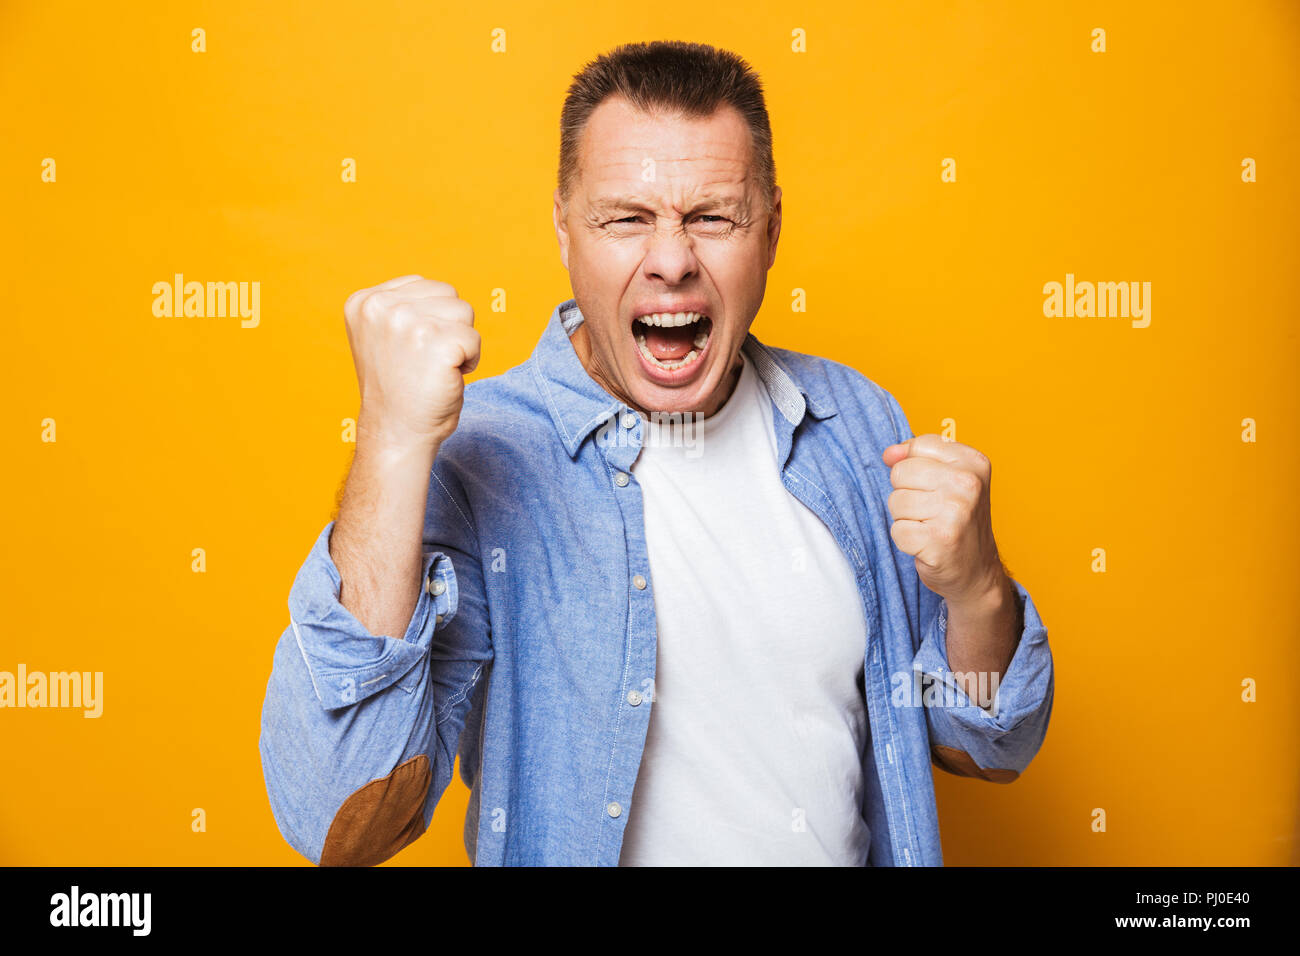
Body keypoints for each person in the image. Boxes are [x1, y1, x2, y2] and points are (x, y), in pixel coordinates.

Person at [258, 39, 1054, 867]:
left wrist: (977, 591)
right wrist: (389, 444)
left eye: (713, 217)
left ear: (772, 230)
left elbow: (982, 745)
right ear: (564, 229)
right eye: (626, 219)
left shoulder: (853, 421)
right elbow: (336, 820)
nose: (672, 261)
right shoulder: (479, 455)